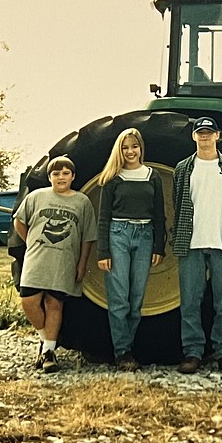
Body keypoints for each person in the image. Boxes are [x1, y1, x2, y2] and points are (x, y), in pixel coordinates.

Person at [172, 116, 222, 374]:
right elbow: (178, 201)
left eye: (209, 132)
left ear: (218, 136)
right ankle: (192, 353)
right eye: (200, 132)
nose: (204, 136)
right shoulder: (183, 168)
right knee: (190, 301)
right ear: (194, 136)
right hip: (190, 242)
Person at [13, 156, 97, 373]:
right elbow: (19, 220)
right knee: (29, 301)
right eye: (56, 173)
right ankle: (47, 336)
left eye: (66, 173)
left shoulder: (82, 202)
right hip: (37, 257)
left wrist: (82, 263)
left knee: (54, 303)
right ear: (50, 177)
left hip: (64, 260)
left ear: (73, 176)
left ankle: (48, 352)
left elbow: (88, 236)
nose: (61, 177)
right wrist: (30, 241)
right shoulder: (36, 197)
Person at [97, 128, 166, 371]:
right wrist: (103, 251)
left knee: (136, 298)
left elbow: (159, 213)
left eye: (134, 146)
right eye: (125, 147)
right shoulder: (113, 178)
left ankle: (130, 346)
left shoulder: (152, 176)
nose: (130, 152)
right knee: (119, 297)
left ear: (140, 148)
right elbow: (103, 217)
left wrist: (159, 245)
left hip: (145, 235)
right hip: (118, 235)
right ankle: (122, 352)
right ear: (120, 150)